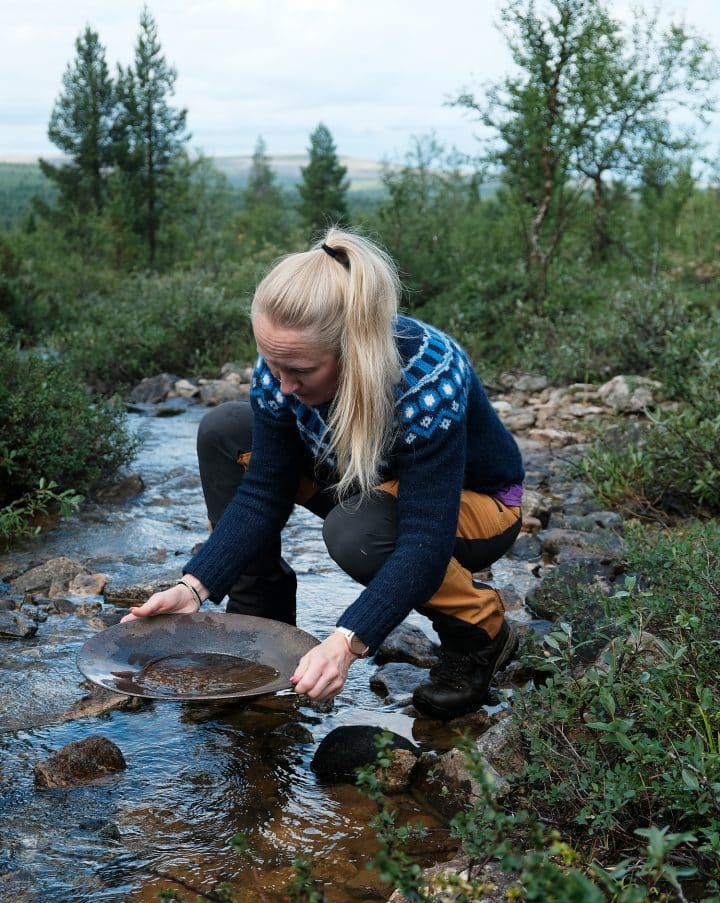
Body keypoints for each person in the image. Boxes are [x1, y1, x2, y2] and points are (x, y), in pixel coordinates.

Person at [122, 227, 525, 721]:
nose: (283, 385)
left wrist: (346, 642)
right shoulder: (282, 368)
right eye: (273, 363)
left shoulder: (426, 377)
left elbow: (425, 540)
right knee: (226, 432)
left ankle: (480, 631)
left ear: (354, 350)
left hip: (477, 503)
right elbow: (263, 492)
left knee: (358, 533)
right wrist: (193, 588)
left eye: (300, 371)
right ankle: (259, 630)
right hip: (363, 480)